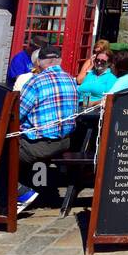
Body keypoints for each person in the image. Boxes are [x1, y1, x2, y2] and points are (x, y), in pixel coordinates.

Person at [15, 46, 82, 211]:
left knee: (0, 153)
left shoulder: (35, 82)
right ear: (59, 60)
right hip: (65, 142)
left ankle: (20, 193)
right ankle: (44, 192)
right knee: (39, 156)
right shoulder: (71, 80)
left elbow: (17, 113)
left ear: (38, 63)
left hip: (41, 145)